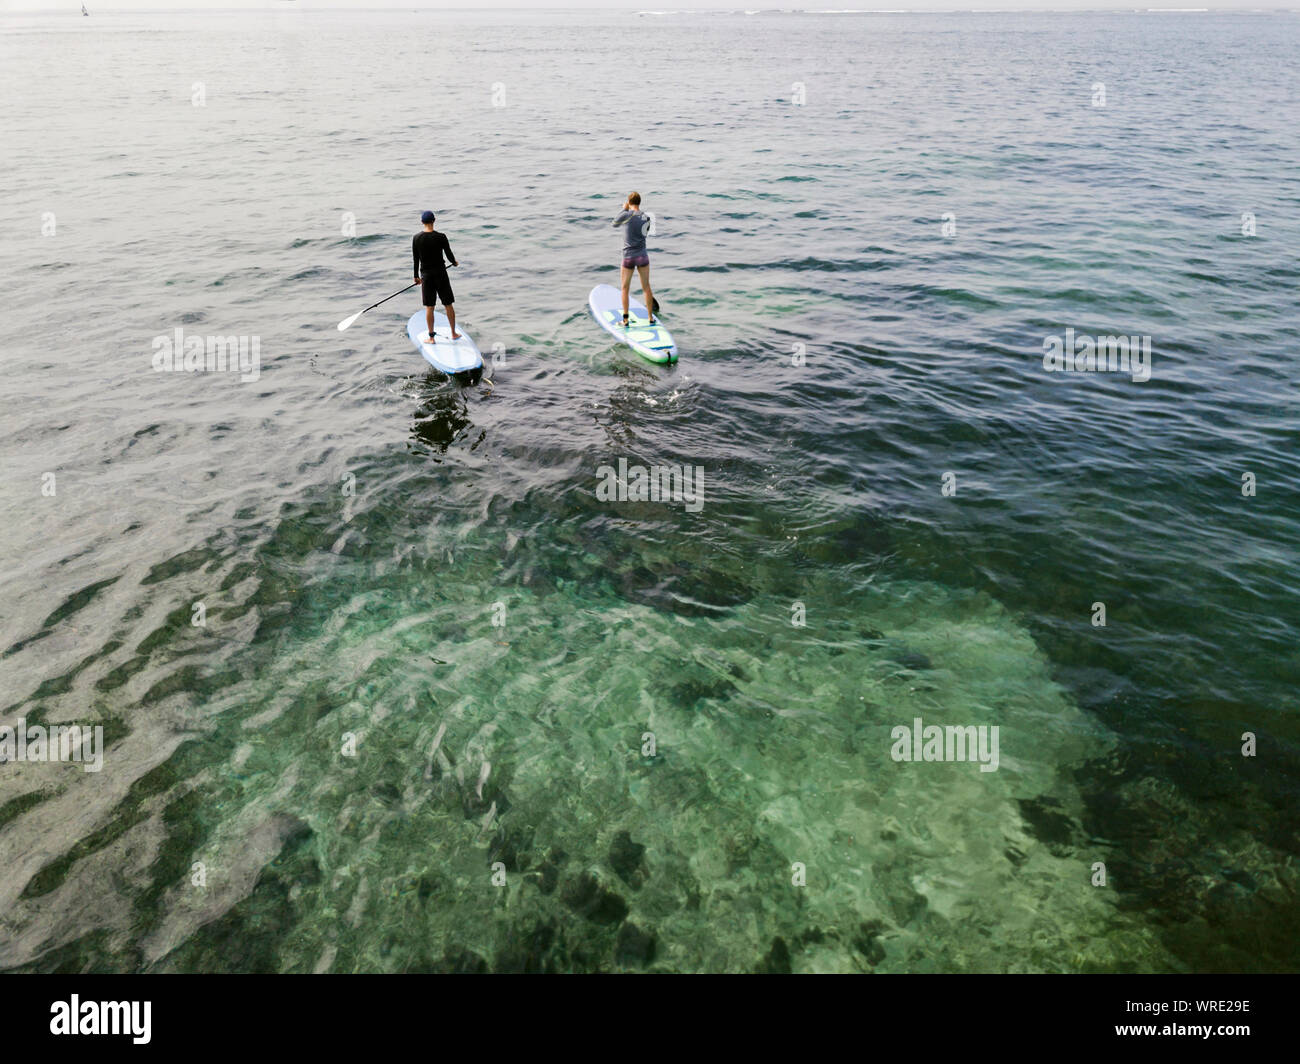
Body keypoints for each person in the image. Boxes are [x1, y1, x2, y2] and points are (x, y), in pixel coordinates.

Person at [412, 210, 459, 342]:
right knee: (448, 304)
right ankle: (454, 333)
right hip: (441, 274)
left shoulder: (416, 238)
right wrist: (454, 262)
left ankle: (431, 338)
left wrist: (416, 276)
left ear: (422, 222)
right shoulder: (441, 237)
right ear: (434, 220)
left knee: (429, 307)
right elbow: (449, 254)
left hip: (426, 276)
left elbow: (416, 260)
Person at [611, 192, 657, 327]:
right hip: (642, 256)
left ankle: (625, 320)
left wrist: (624, 209)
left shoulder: (626, 215)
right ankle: (650, 318)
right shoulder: (646, 217)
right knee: (646, 287)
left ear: (629, 202)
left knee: (625, 288)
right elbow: (646, 233)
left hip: (628, 257)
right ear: (639, 202)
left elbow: (614, 223)